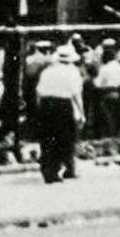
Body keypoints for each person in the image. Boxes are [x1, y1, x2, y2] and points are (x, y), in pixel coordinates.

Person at [32, 46, 85, 184]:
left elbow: (39, 92)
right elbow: (76, 94)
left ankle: (48, 170)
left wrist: (40, 109)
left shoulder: (47, 71)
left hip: (46, 104)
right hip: (62, 104)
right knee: (64, 138)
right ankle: (60, 169)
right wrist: (81, 112)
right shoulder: (73, 72)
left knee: (47, 138)